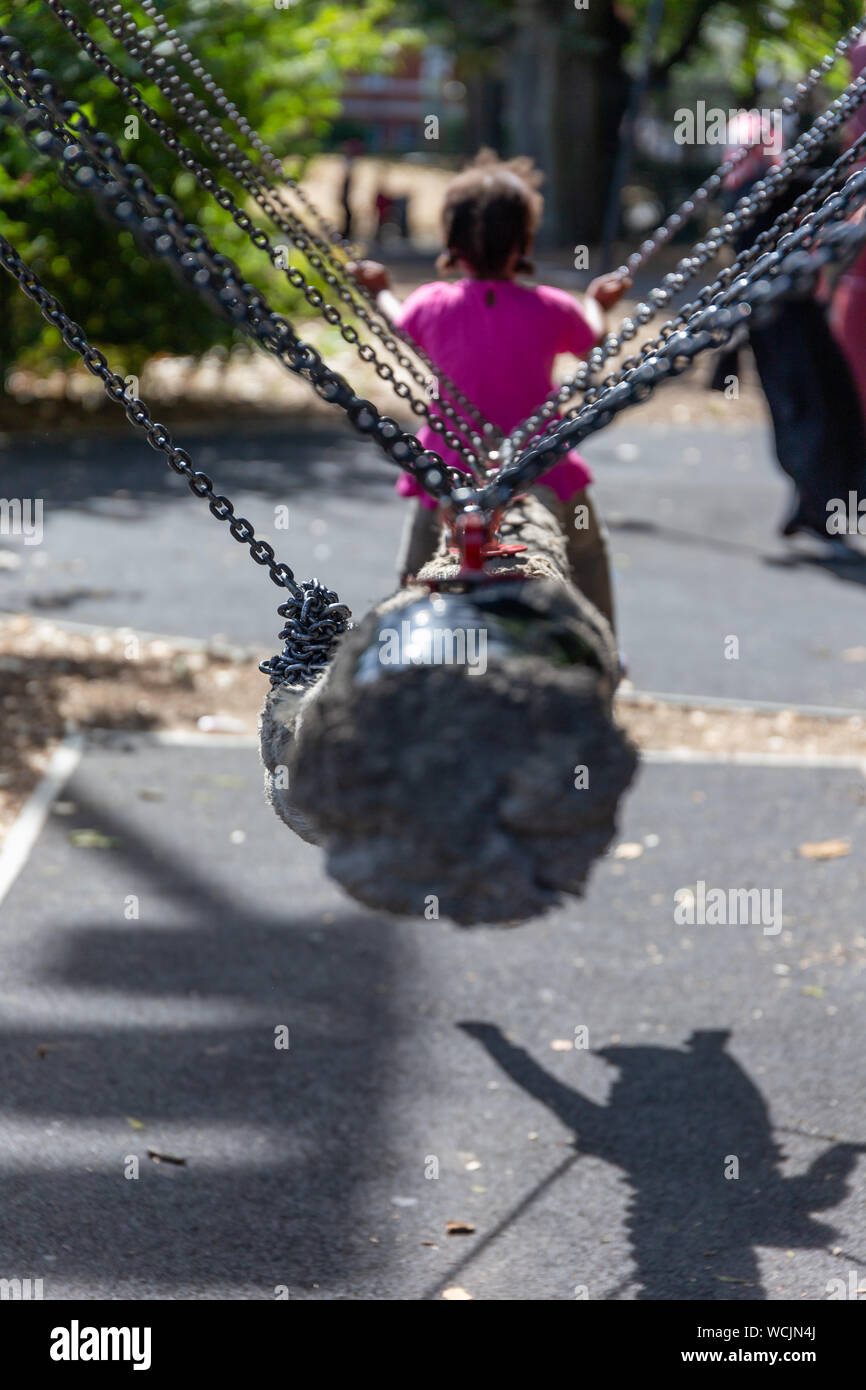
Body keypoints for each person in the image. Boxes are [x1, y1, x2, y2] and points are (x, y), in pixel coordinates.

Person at [348, 150, 630, 631]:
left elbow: (397, 323)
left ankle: (395, 633)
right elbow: (594, 343)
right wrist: (598, 302)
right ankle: (607, 643)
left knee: (417, 560)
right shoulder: (551, 307)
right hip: (539, 467)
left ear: (450, 244)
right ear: (525, 242)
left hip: (448, 471)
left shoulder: (433, 304)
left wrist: (379, 290)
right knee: (587, 551)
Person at [723, 111, 866, 551]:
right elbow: (827, 192)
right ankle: (820, 508)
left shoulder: (750, 189)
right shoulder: (765, 189)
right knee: (812, 410)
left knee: (817, 406)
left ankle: (814, 505)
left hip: (786, 316)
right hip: (782, 319)